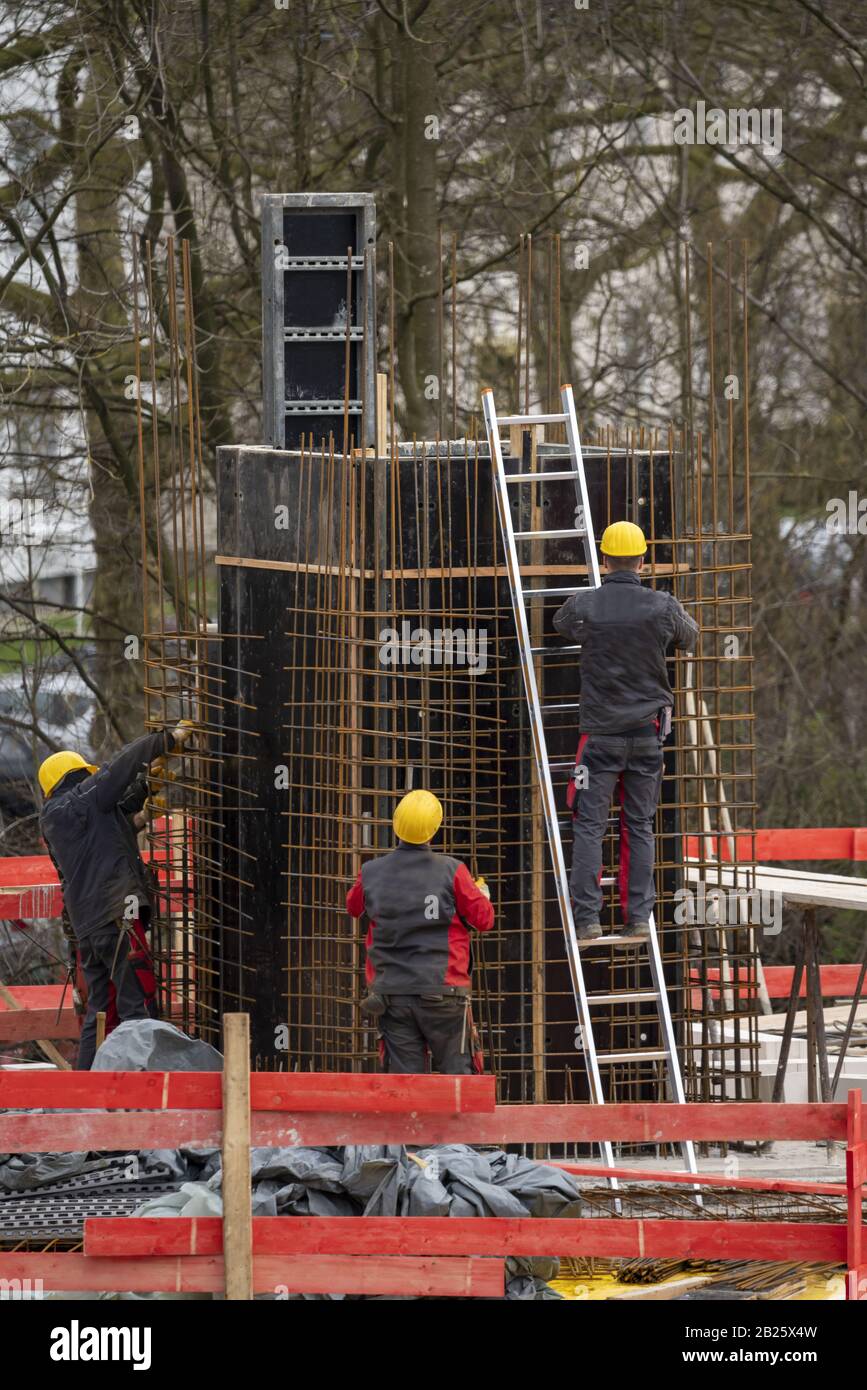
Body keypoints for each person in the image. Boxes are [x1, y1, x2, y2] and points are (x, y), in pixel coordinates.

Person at [553, 521, 698, 944]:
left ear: (603, 559)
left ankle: (587, 920)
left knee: (589, 826)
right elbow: (691, 637)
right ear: (643, 561)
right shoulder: (662, 606)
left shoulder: (586, 605)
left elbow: (561, 623)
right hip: (647, 736)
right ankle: (638, 918)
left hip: (598, 738)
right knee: (638, 826)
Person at [38, 724, 193, 1067]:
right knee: (137, 1003)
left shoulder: (61, 818)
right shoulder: (83, 800)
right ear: (76, 776)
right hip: (115, 918)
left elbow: (111, 820)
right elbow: (116, 772)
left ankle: (89, 1095)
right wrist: (164, 740)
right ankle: (141, 1093)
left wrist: (145, 789)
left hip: (90, 933)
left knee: (101, 1014)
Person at [345, 789, 494, 1074]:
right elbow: (484, 920)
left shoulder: (372, 871)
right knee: (459, 1085)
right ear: (434, 828)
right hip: (444, 993)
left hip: (393, 995)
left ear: (396, 823)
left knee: (405, 1087)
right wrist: (482, 894)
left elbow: (353, 907)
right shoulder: (453, 871)